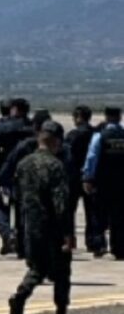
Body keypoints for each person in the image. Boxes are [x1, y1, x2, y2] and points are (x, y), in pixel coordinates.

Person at [8, 120, 78, 314]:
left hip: (31, 224)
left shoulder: (24, 164)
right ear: (56, 141)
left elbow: (17, 195)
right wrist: (68, 233)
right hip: (52, 226)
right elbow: (60, 203)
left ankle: (21, 294)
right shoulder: (56, 166)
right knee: (62, 271)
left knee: (38, 267)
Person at [0, 97, 32, 254]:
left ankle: (8, 234)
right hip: (29, 172)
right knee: (22, 208)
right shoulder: (32, 127)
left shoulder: (3, 127)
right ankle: (21, 244)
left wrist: (0, 158)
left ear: (15, 109)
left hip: (6, 171)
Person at [83, 106, 124, 259]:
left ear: (106, 117)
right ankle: (119, 247)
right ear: (119, 117)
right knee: (119, 215)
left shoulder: (100, 136)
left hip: (103, 182)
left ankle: (99, 245)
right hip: (121, 183)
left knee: (98, 214)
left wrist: (88, 177)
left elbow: (92, 157)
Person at [65, 105, 104, 255]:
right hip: (92, 177)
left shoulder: (73, 135)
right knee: (93, 211)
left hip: (73, 177)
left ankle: (70, 241)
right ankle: (95, 243)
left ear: (79, 117)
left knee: (69, 211)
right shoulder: (97, 134)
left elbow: (67, 156)